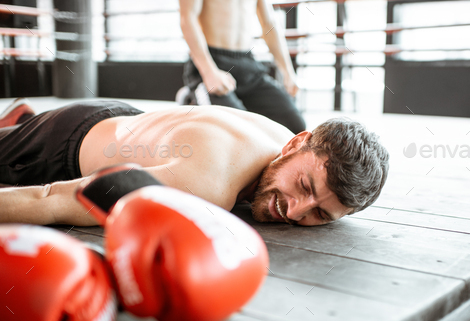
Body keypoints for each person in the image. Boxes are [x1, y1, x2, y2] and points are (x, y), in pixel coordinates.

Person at [0, 99, 389, 227]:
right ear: (298, 143)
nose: (295, 210)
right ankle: (21, 127)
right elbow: (49, 199)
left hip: (131, 126)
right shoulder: (206, 185)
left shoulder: (284, 141)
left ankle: (21, 122)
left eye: (320, 215)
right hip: (61, 148)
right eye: (304, 188)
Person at [177, 0, 306, 134]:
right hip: (213, 64)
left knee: (294, 125)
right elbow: (187, 18)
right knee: (241, 132)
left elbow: (269, 24)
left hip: (246, 63)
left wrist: (288, 73)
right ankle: (193, 97)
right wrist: (209, 72)